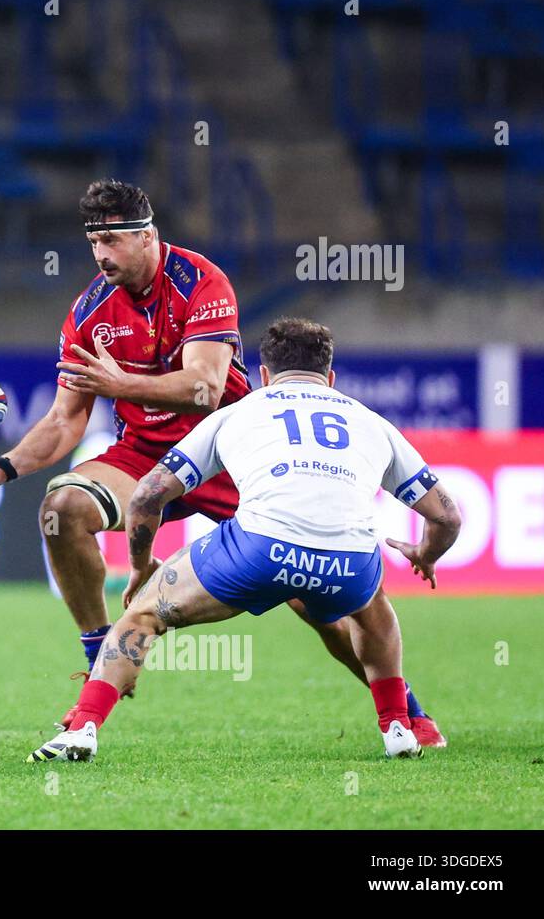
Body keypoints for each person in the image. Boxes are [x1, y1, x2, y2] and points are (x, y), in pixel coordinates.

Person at [0, 180, 445, 747]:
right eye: (92, 242)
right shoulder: (89, 313)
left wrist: (120, 382)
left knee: (322, 611)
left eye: (112, 240)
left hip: (229, 456)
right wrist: (4, 467)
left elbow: (206, 389)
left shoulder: (201, 283)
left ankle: (408, 711)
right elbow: (66, 420)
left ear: (146, 236)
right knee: (63, 507)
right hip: (146, 457)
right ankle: (99, 650)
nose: (101, 254)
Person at [29, 317, 462, 761]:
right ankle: (400, 724)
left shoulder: (240, 412)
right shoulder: (373, 423)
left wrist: (142, 565)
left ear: (264, 375)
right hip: (349, 561)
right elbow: (447, 516)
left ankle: (82, 727)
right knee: (374, 610)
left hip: (259, 550)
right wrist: (425, 554)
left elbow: (149, 493)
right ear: (331, 378)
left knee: (142, 616)